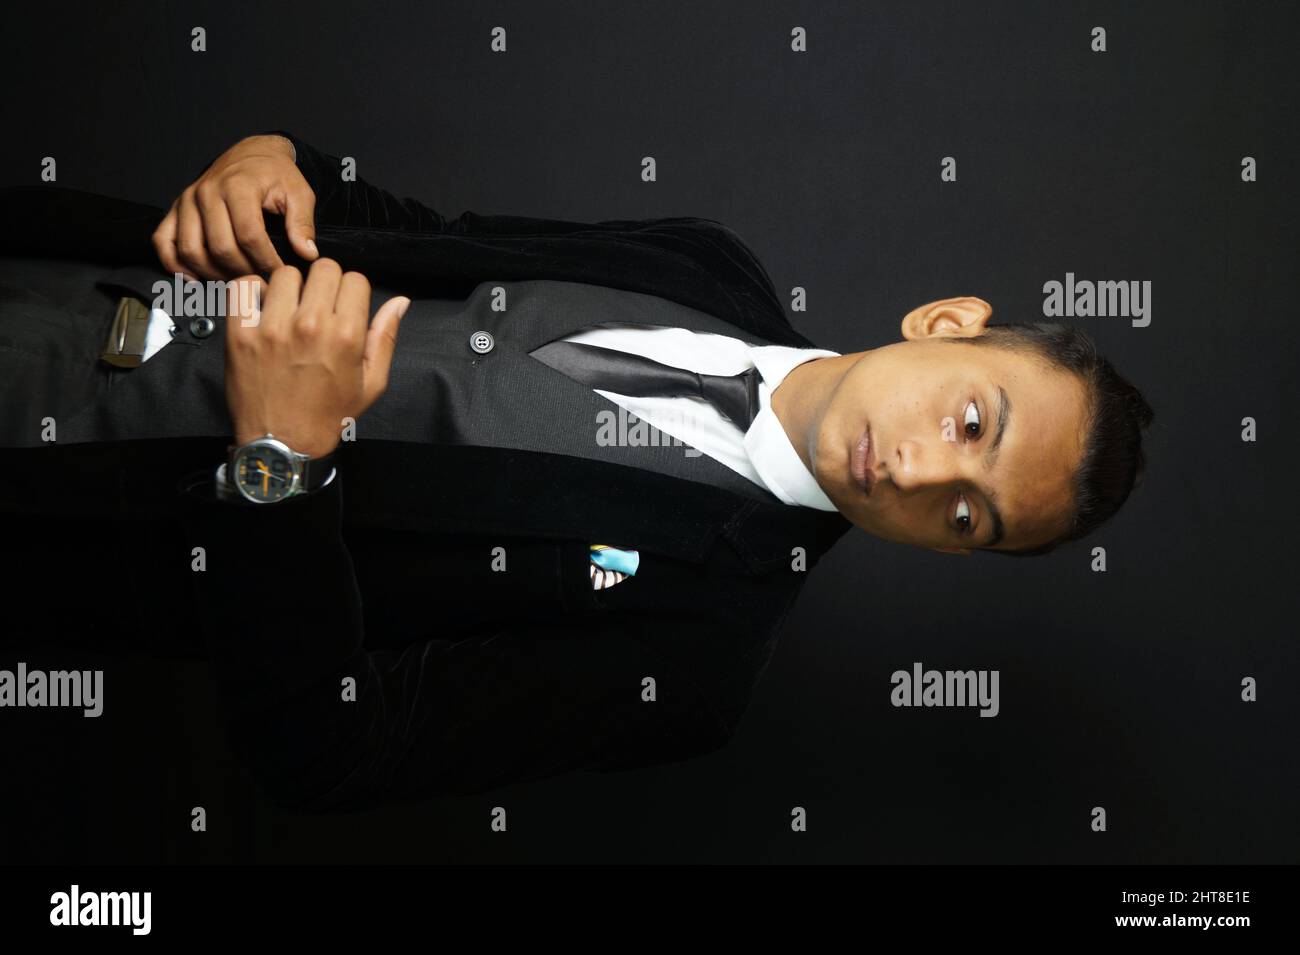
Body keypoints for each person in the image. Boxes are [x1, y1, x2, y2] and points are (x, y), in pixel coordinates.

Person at [0, 132, 1152, 811]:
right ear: (946, 321)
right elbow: (410, 229)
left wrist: (281, 467)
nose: (913, 473)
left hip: (49, 513)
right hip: (55, 274)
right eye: (967, 423)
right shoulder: (704, 263)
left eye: (966, 515)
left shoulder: (695, 661)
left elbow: (325, 744)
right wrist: (279, 159)